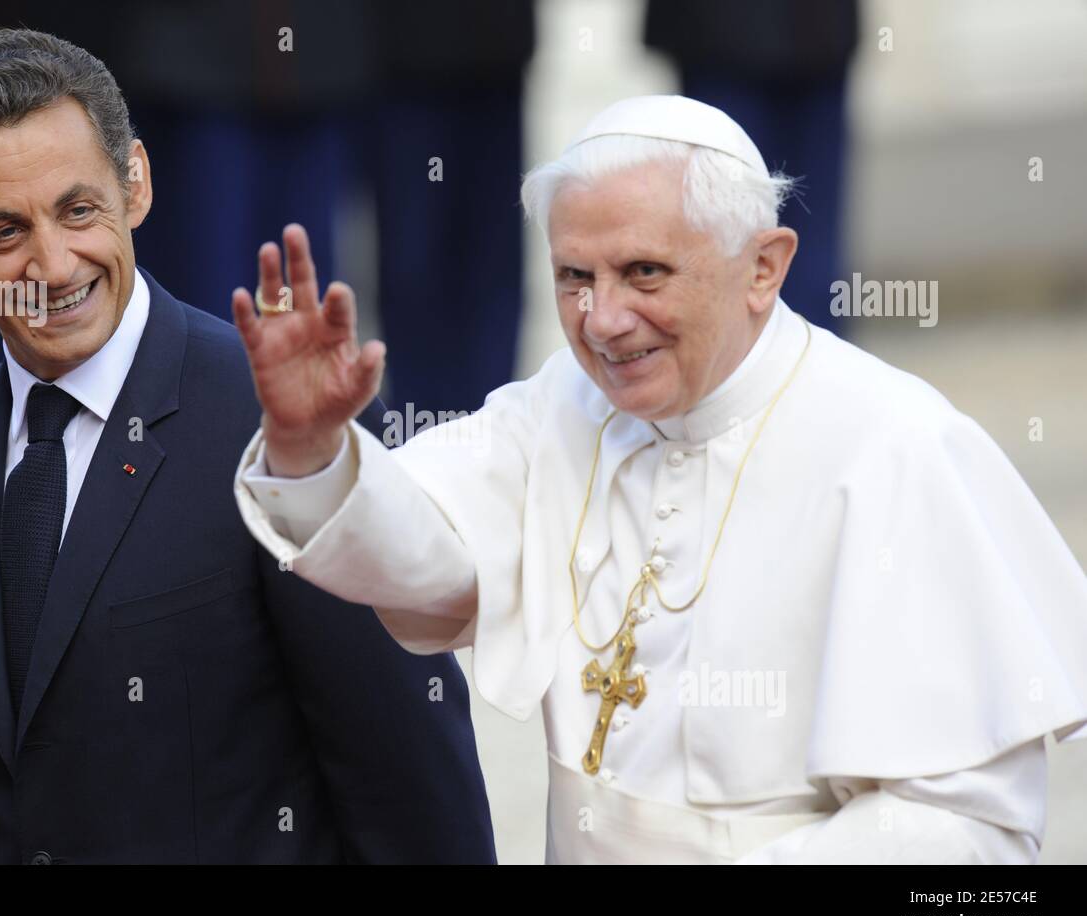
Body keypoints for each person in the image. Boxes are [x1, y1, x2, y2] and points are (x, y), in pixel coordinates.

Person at [231, 95, 1087, 864]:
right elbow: (420, 543)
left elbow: (969, 832)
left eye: (644, 272)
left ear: (764, 267)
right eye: (575, 277)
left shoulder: (899, 448)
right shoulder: (561, 406)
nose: (602, 321)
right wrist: (311, 449)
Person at [0, 29, 495, 865]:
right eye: (5, 231)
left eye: (78, 209)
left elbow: (410, 779)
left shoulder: (279, 432)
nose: (53, 264)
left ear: (137, 185)